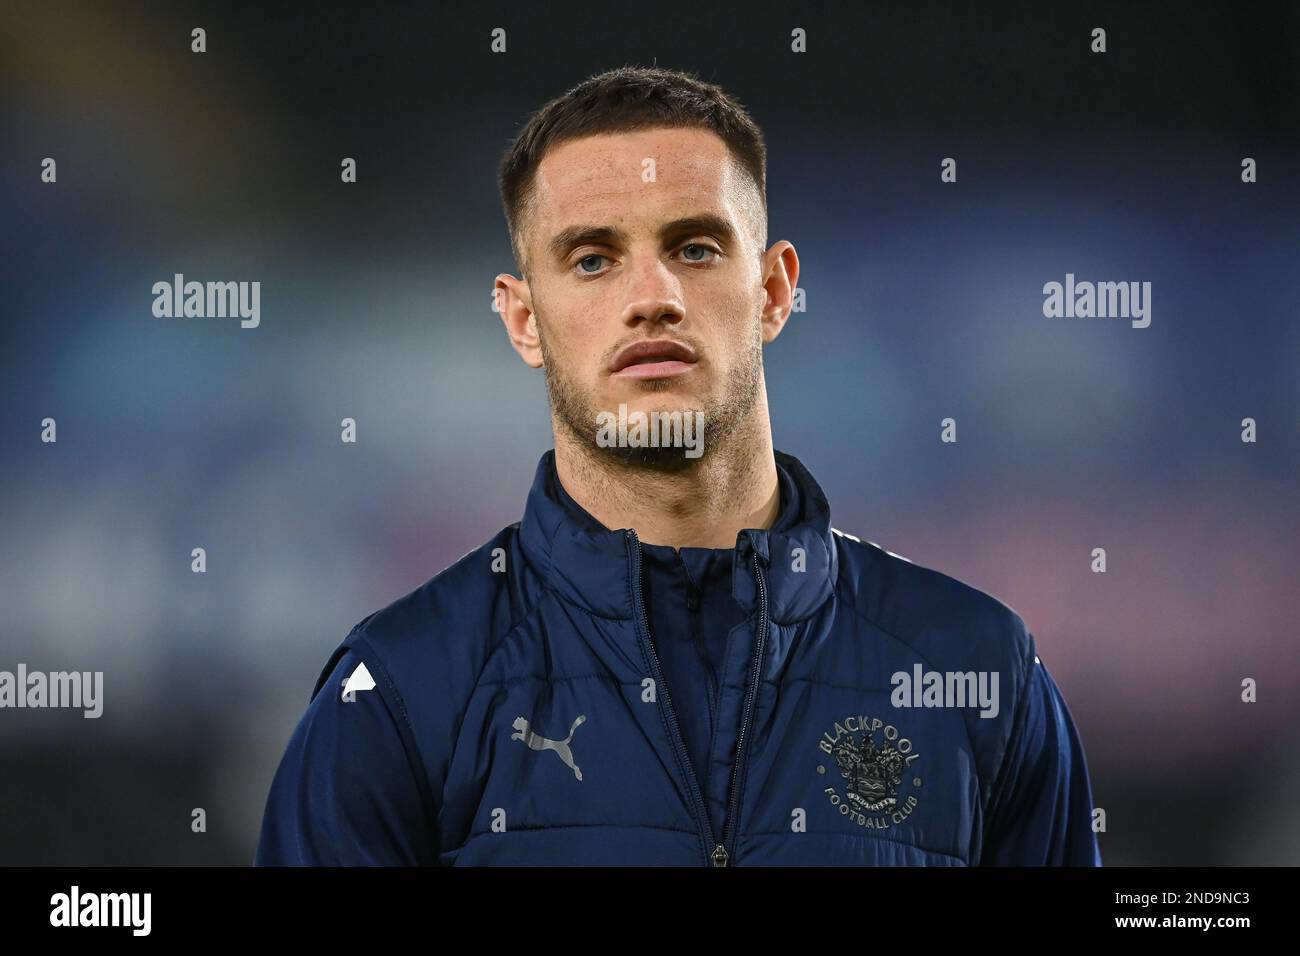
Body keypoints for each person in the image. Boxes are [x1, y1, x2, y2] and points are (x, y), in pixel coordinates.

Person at [255, 65, 1101, 866]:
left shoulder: (975, 668)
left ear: (774, 292)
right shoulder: (402, 691)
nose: (651, 294)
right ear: (523, 320)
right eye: (592, 259)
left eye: (694, 248)